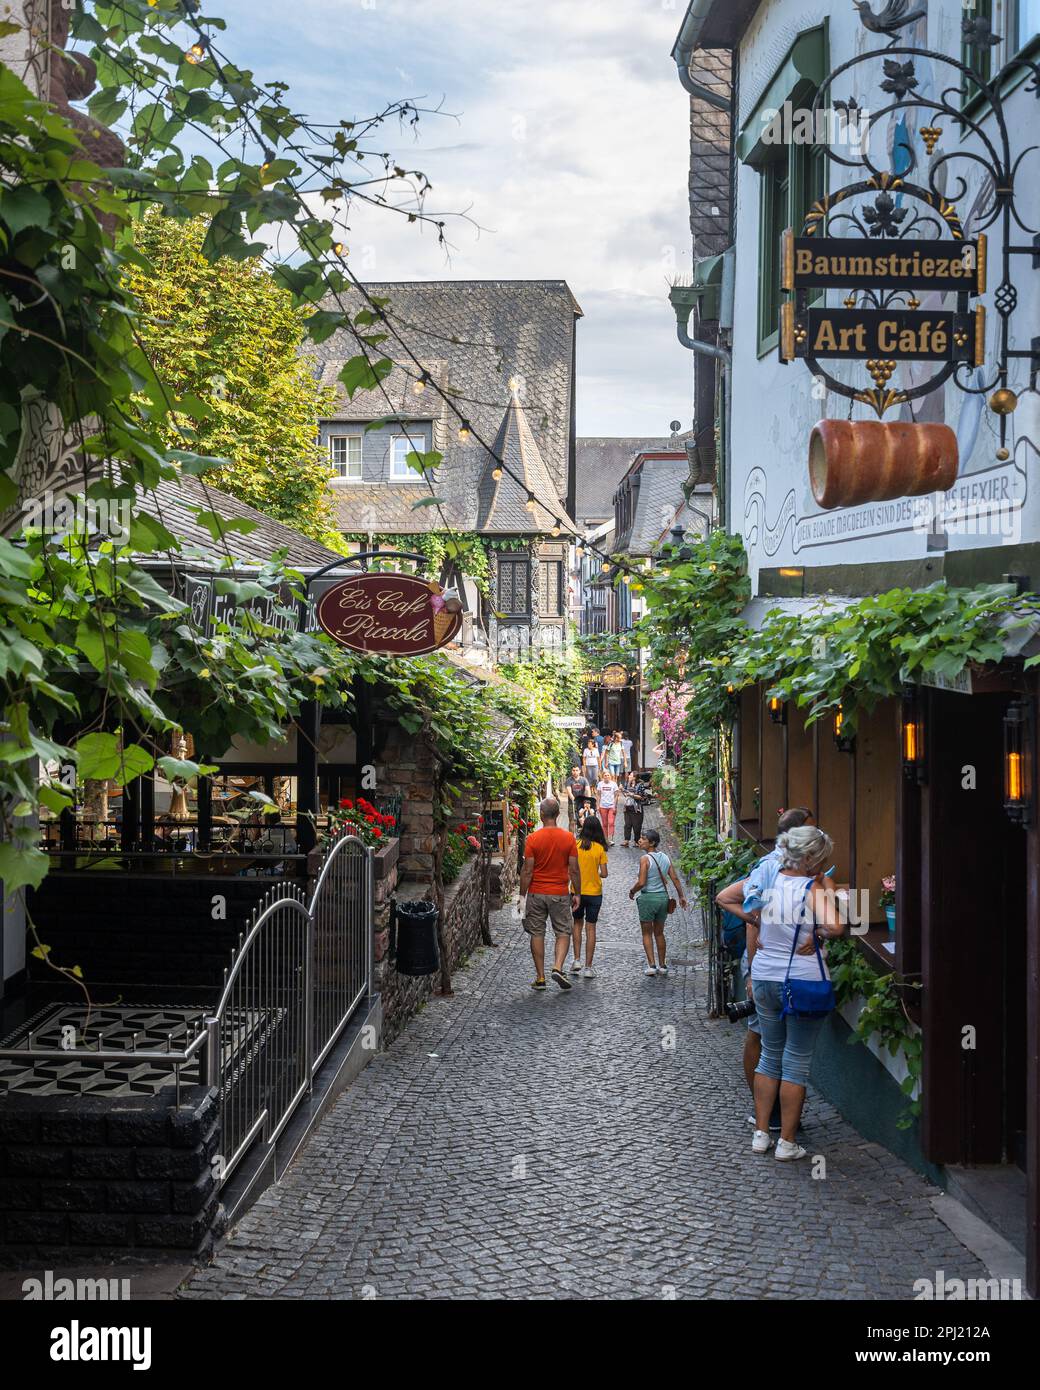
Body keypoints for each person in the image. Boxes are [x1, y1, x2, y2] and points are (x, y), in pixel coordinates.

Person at [716, 808, 821, 1131]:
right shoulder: (775, 866)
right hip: (774, 970)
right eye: (810, 831)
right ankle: (774, 1119)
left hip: (773, 970)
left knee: (771, 1045)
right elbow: (731, 901)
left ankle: (769, 1121)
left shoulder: (792, 866)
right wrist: (758, 926)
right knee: (769, 1043)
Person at [748, 826, 843, 1160]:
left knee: (769, 1055)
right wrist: (816, 931)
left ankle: (762, 1134)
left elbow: (734, 900)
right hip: (800, 981)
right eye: (821, 857)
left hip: (763, 976)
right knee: (796, 1062)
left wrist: (760, 929)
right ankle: (787, 1142)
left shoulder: (768, 880)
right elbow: (837, 926)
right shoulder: (811, 887)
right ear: (810, 857)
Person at [519, 796, 582, 992]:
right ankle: (557, 967)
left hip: (537, 893)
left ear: (541, 814)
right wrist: (577, 893)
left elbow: (527, 871)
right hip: (560, 892)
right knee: (563, 931)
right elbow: (574, 869)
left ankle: (540, 978)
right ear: (558, 814)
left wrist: (522, 896)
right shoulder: (569, 838)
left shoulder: (532, 839)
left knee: (537, 933)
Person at [628, 827, 687, 976]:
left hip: (648, 899)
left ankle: (652, 965)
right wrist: (681, 896)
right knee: (659, 933)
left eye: (643, 839)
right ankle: (663, 965)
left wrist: (632, 891)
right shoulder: (666, 857)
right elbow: (674, 878)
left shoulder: (645, 859)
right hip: (662, 899)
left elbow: (641, 882)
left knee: (646, 933)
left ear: (652, 843)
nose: (640, 840)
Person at [571, 813, 608, 978]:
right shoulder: (599, 849)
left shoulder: (575, 845)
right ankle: (588, 967)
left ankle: (576, 960)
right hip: (594, 893)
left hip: (576, 892)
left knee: (577, 925)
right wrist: (595, 873)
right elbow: (605, 874)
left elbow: (570, 869)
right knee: (591, 928)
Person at [620, 772, 650, 848]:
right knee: (627, 824)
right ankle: (626, 840)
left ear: (634, 777)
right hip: (627, 806)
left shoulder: (640, 785)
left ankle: (637, 841)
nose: (629, 776)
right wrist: (622, 790)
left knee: (637, 825)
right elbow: (626, 795)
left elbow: (641, 797)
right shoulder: (627, 784)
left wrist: (631, 795)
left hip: (636, 808)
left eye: (631, 775)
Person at [563, 765, 592, 831]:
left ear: (579, 771)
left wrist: (589, 800)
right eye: (573, 770)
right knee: (572, 821)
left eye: (576, 770)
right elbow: (569, 792)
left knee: (582, 820)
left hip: (582, 803)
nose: (575, 772)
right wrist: (575, 800)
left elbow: (588, 790)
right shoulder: (569, 780)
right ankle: (571, 838)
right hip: (572, 803)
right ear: (571, 771)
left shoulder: (584, 780)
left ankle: (583, 836)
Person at [596, 766, 619, 845]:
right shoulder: (600, 784)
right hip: (603, 806)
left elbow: (616, 795)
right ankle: (605, 839)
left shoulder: (614, 784)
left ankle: (611, 839)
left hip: (611, 806)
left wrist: (615, 806)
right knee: (605, 824)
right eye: (605, 775)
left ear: (610, 776)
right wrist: (598, 805)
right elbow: (598, 795)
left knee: (611, 822)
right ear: (603, 777)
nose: (607, 776)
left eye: (608, 775)